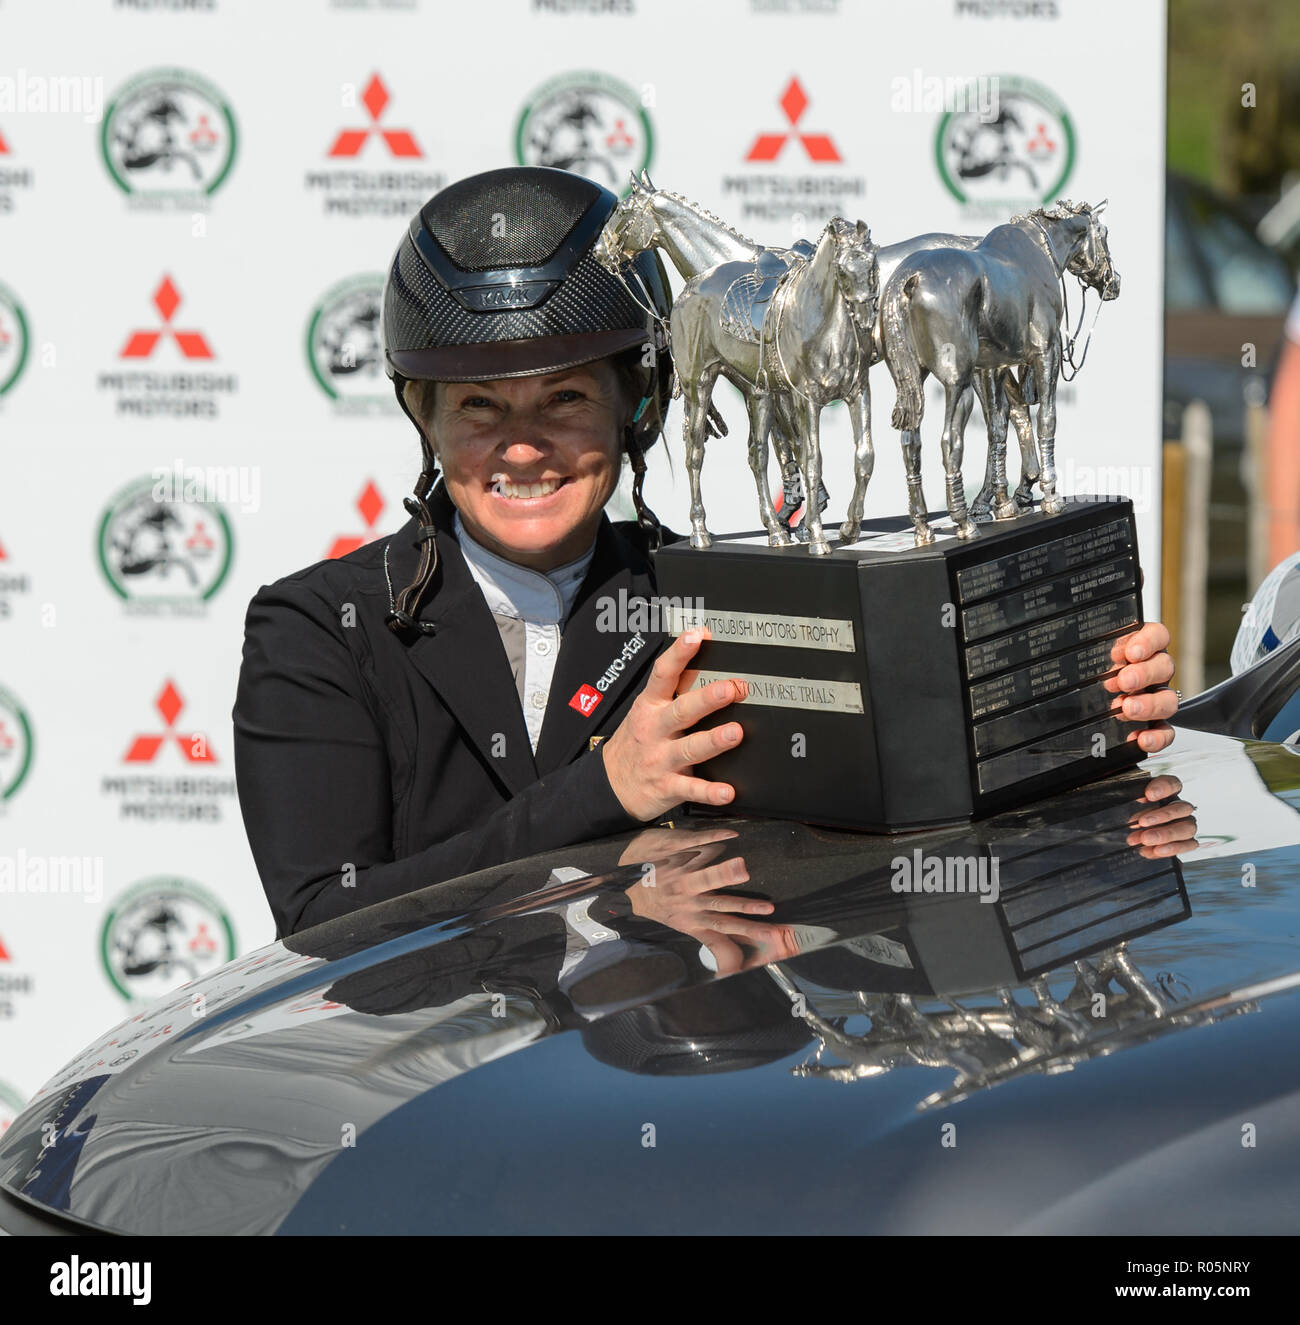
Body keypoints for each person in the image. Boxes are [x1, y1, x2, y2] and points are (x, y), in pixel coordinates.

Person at [233, 165, 1181, 940]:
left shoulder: (724, 600)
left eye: (564, 399)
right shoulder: (320, 631)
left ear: (636, 406)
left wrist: (1075, 707)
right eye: (480, 408)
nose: (522, 446)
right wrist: (602, 808)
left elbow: (912, 814)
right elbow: (323, 925)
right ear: (426, 419)